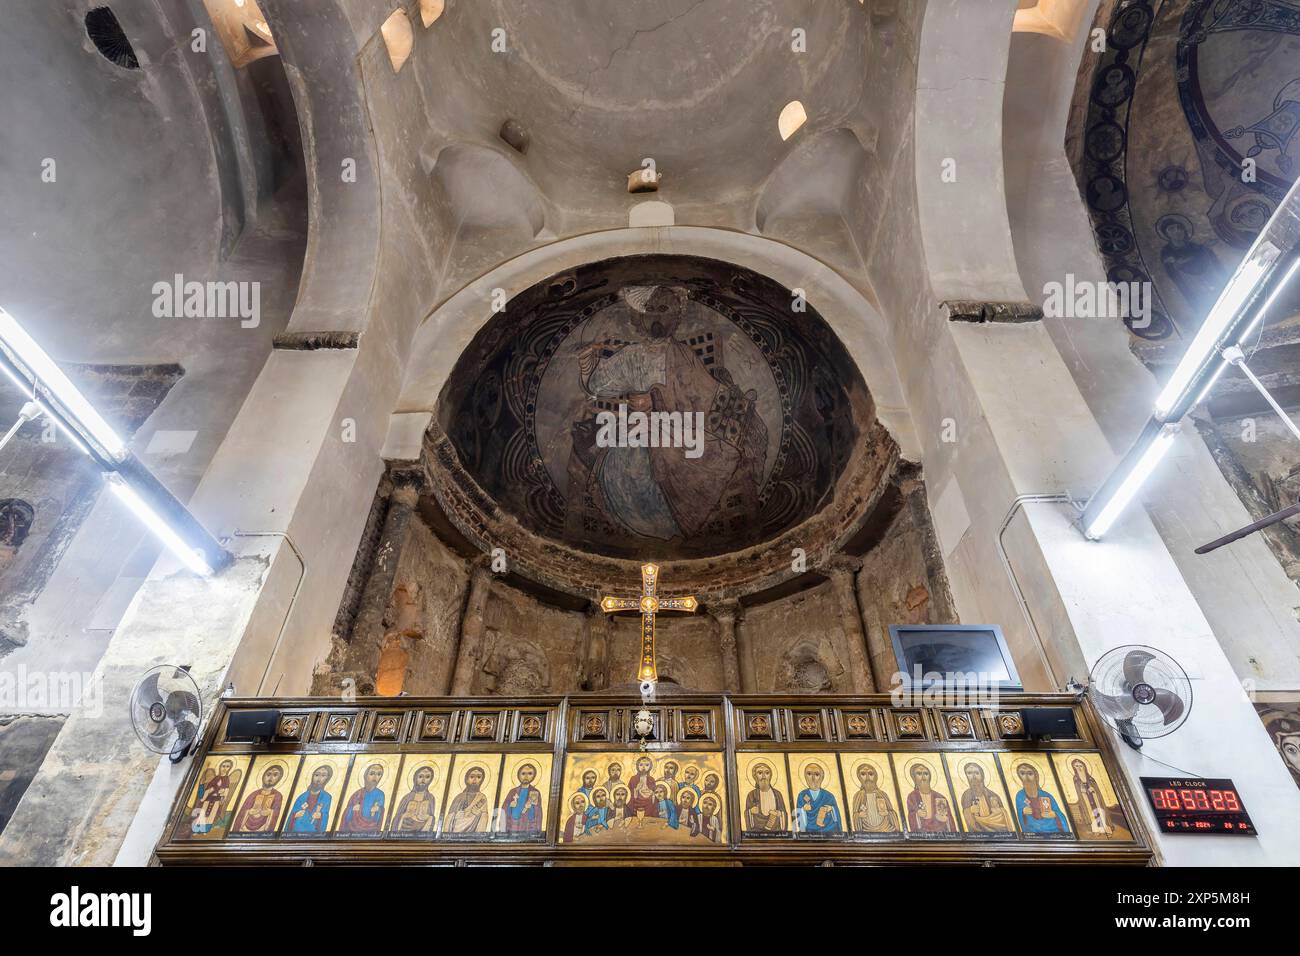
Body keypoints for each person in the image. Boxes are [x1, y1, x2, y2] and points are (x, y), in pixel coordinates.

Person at [1013, 762, 1069, 834]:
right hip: (1033, 829)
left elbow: (1059, 814)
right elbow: (1020, 814)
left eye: (1030, 773)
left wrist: (1054, 814)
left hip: (1052, 827)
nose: (1026, 777)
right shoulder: (1020, 795)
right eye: (1022, 773)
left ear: (1036, 776)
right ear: (1019, 777)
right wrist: (1023, 812)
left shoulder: (1046, 795)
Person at [958, 761, 1011, 833]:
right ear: (966, 776)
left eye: (976, 773)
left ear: (982, 775)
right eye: (969, 773)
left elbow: (1004, 816)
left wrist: (999, 813)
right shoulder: (966, 795)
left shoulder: (993, 795)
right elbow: (967, 816)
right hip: (978, 834)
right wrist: (970, 811)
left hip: (998, 833)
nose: (973, 776)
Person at [232, 762, 285, 833]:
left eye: (275, 775)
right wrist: (249, 812)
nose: (271, 777)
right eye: (268, 774)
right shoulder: (253, 795)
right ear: (263, 776)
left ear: (279, 779)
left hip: (263, 830)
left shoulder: (277, 796)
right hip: (244, 829)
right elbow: (242, 813)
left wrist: (269, 812)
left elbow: (275, 814)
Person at [905, 761, 955, 834]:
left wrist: (946, 820)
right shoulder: (912, 796)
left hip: (941, 833)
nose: (923, 777)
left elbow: (949, 819)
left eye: (926, 773)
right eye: (919, 774)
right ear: (914, 778)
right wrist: (917, 815)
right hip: (922, 833)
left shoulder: (940, 797)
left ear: (930, 777)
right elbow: (911, 816)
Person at [850, 760, 900, 833]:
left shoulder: (882, 794)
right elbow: (855, 815)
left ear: (875, 776)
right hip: (866, 830)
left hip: (886, 829)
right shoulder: (858, 796)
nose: (867, 777)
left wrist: (887, 813)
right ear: (859, 777)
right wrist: (859, 815)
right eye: (863, 774)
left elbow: (892, 812)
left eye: (870, 774)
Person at [286, 764, 335, 834]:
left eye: (323, 776)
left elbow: (325, 815)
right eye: (317, 775)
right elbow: (291, 817)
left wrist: (321, 816)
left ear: (327, 779)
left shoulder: (326, 797)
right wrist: (295, 815)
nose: (319, 779)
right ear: (312, 777)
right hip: (296, 832)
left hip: (313, 833)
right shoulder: (301, 797)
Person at [340, 762, 387, 834]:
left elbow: (379, 816)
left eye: (379, 774)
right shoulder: (357, 794)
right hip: (351, 830)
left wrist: (378, 810)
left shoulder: (380, 794)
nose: (375, 777)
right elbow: (347, 814)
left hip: (371, 830)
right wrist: (352, 809)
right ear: (365, 775)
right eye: (372, 773)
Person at [391, 764, 438, 833]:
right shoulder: (407, 797)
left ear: (430, 780)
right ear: (415, 778)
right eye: (420, 776)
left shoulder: (430, 798)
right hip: (403, 830)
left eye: (427, 777)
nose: (423, 780)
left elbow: (432, 817)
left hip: (422, 831)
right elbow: (397, 817)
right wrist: (404, 816)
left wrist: (427, 817)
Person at [795, 762, 840, 833]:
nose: (813, 778)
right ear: (805, 776)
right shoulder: (802, 795)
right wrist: (803, 809)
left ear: (822, 777)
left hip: (827, 831)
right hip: (808, 832)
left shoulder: (828, 796)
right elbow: (798, 819)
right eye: (809, 774)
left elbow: (836, 817)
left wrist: (831, 809)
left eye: (816, 774)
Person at [743, 761, 788, 831]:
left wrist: (780, 814)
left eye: (767, 773)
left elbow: (783, 813)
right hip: (757, 833)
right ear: (755, 776)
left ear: (770, 776)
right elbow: (747, 813)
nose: (764, 776)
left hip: (776, 831)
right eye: (760, 773)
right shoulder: (751, 795)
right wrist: (750, 811)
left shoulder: (777, 794)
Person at [500, 762, 543, 834]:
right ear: (518, 775)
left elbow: (538, 813)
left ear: (534, 776)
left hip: (527, 827)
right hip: (512, 827)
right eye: (523, 773)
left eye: (530, 773)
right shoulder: (513, 792)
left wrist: (531, 807)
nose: (526, 776)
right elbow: (504, 810)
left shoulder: (535, 792)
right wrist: (510, 806)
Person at [445, 765, 490, 833]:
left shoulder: (482, 797)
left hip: (474, 831)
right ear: (466, 779)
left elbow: (484, 817)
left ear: (482, 780)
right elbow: (449, 817)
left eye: (478, 777)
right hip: (456, 830)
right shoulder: (459, 797)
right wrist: (457, 815)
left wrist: (478, 814)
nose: (475, 780)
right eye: (472, 777)